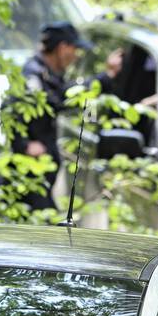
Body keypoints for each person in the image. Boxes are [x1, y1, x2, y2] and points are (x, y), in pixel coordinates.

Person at [8, 21, 93, 210]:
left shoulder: (48, 73)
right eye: (75, 49)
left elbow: (60, 97)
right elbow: (9, 111)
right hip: (29, 172)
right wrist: (24, 144)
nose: (76, 56)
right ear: (63, 48)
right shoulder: (32, 76)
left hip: (42, 175)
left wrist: (105, 78)